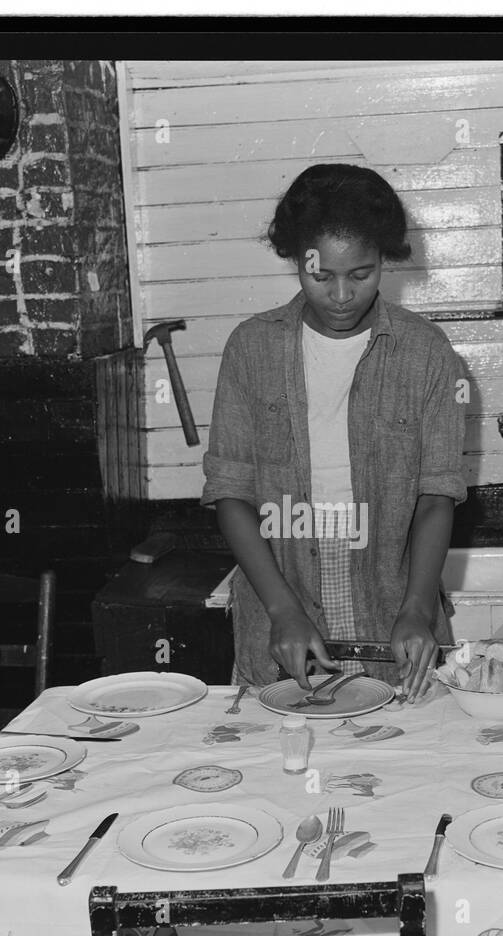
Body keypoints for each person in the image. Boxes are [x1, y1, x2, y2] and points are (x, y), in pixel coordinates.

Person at [202, 164, 467, 699]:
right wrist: (281, 609)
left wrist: (417, 608)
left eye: (362, 274)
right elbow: (231, 493)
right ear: (295, 261)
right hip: (281, 588)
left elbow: (438, 494)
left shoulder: (428, 354)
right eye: (320, 276)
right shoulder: (251, 349)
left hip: (392, 599)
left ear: (385, 261)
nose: (342, 295)